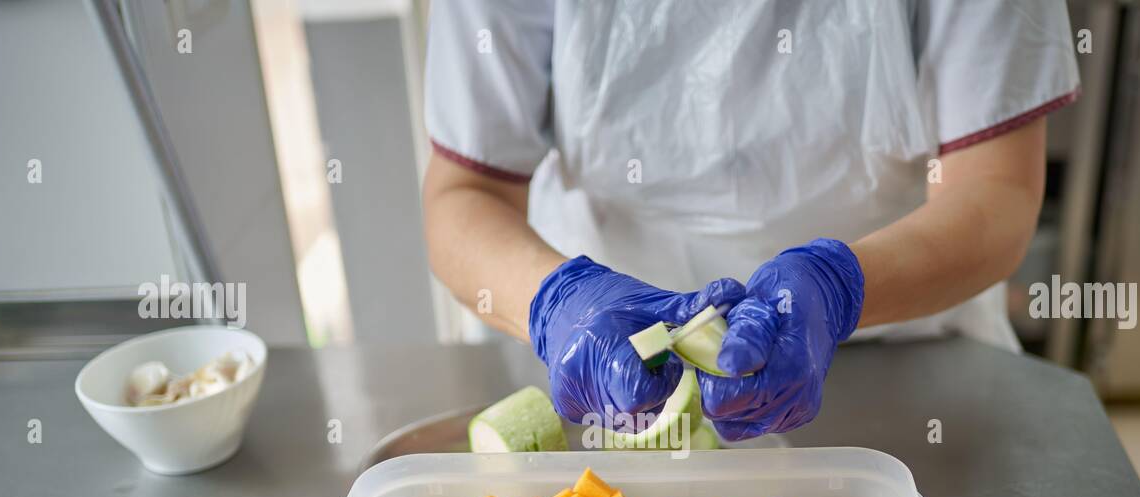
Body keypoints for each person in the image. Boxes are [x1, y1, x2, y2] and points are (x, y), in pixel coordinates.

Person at [422, 0, 1079, 439]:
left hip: (911, 351)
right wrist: (556, 302)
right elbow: (464, 191)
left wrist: (840, 285)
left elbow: (995, 187)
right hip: (604, 378)